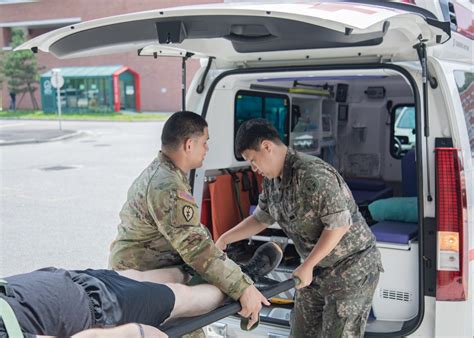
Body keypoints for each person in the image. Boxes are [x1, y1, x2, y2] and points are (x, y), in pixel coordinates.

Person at [216, 119, 383, 338]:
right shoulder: (272, 179)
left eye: (253, 160)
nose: (253, 169)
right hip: (316, 269)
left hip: (351, 269)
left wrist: (309, 265)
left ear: (267, 147)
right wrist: (225, 239)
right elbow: (261, 219)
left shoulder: (312, 174)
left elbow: (339, 225)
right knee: (301, 332)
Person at [108, 111, 274, 330]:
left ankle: (240, 273)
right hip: (143, 280)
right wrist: (242, 288)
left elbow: (192, 232)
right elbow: (196, 249)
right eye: (204, 142)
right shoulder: (166, 185)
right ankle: (244, 277)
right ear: (189, 145)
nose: (207, 149)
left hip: (154, 271)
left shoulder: (168, 174)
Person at [0, 242, 282, 338]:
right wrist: (138, 333)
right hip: (103, 307)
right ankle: (245, 278)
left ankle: (216, 271)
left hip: (75, 280)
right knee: (181, 298)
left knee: (140, 276)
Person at [0, 266, 223, 338]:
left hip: (91, 296)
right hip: (78, 290)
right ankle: (226, 284)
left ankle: (225, 281)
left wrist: (137, 333)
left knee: (175, 295)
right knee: (173, 292)